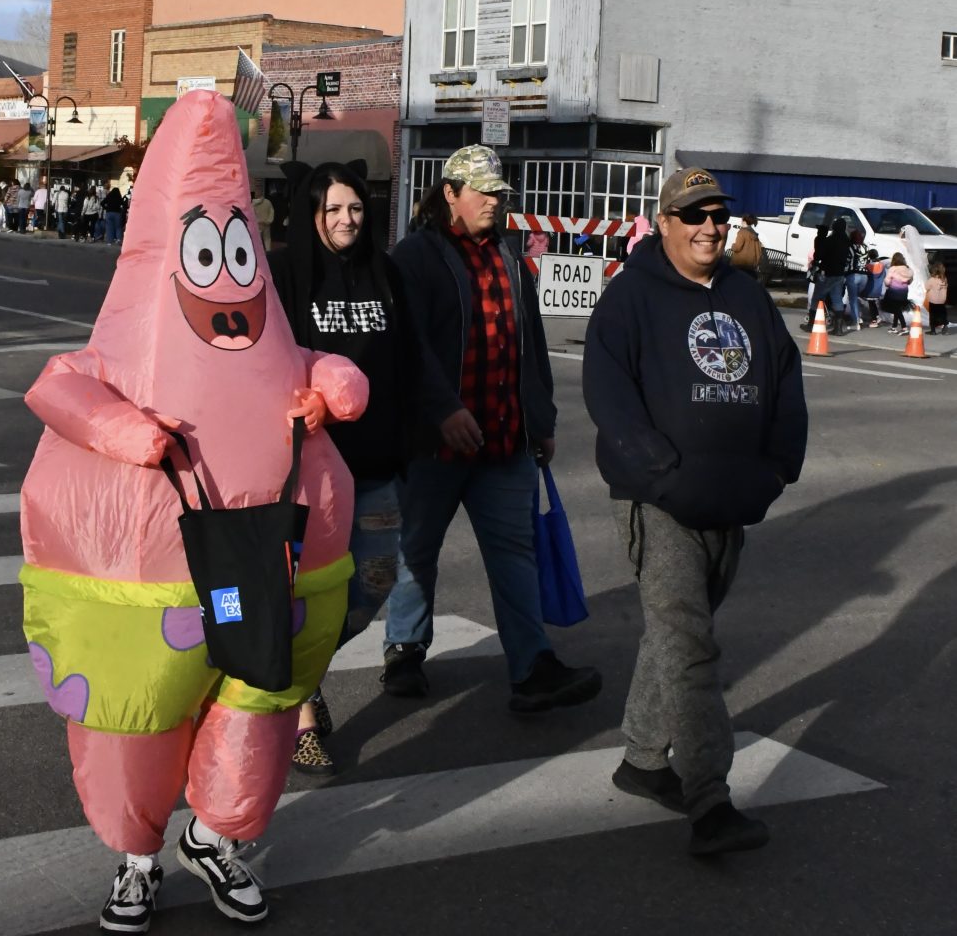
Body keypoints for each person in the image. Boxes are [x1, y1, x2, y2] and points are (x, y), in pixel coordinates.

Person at [19, 89, 368, 931]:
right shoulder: (133, 315)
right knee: (136, 712)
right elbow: (58, 384)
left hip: (272, 556)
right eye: (204, 251)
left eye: (233, 249)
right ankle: (136, 859)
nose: (222, 273)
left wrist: (334, 381)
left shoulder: (264, 314)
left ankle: (216, 837)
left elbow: (312, 360)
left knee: (257, 704)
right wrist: (119, 427)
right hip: (150, 576)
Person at [583, 166, 807, 857]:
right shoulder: (630, 299)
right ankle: (709, 800)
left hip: (734, 499)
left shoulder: (746, 295)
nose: (710, 226)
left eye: (718, 215)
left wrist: (775, 467)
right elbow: (608, 394)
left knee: (677, 637)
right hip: (663, 505)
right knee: (690, 646)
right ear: (664, 223)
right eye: (694, 215)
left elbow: (785, 379)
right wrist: (663, 475)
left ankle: (643, 760)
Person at [381, 144, 602, 711]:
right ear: (450, 193)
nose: (493, 202)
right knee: (416, 548)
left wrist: (543, 419)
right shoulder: (415, 257)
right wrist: (440, 410)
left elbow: (531, 347)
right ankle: (405, 649)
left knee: (515, 552)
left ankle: (533, 668)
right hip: (434, 444)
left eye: (499, 193)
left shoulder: (509, 259)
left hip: (504, 439)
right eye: (480, 191)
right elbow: (407, 350)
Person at [272, 161, 420, 774]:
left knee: (374, 584)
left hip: (378, 463)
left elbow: (407, 358)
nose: (346, 220)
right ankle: (300, 706)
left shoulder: (385, 273)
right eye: (333, 210)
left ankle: (305, 671)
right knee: (304, 592)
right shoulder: (284, 274)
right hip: (312, 473)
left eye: (355, 209)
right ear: (313, 214)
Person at [803, 217, 849, 334]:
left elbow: (818, 256)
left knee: (817, 298)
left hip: (827, 273)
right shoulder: (846, 241)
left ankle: (811, 324)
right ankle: (838, 328)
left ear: (834, 227)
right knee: (837, 298)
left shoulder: (830, 240)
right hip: (839, 274)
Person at [845, 228, 871, 328]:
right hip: (865, 276)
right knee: (856, 297)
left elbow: (847, 261)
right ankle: (858, 316)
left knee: (853, 298)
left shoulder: (850, 247)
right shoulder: (866, 247)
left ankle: (855, 321)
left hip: (853, 275)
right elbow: (868, 261)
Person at [883, 252, 914, 334]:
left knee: (896, 310)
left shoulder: (893, 269)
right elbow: (910, 281)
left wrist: (888, 283)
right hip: (904, 292)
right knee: (897, 309)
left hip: (894, 292)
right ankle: (894, 326)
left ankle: (904, 327)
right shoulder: (908, 269)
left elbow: (887, 282)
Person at [728, 213, 762, 278]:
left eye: (742, 220)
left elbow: (737, 248)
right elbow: (759, 251)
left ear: (744, 221)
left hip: (740, 264)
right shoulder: (755, 234)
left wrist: (732, 246)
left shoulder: (742, 232)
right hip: (751, 266)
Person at [926, 262, 949, 335]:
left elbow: (926, 287)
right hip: (942, 301)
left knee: (933, 315)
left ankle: (933, 331)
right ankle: (944, 324)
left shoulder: (932, 280)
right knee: (942, 314)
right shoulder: (944, 279)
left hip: (933, 300)